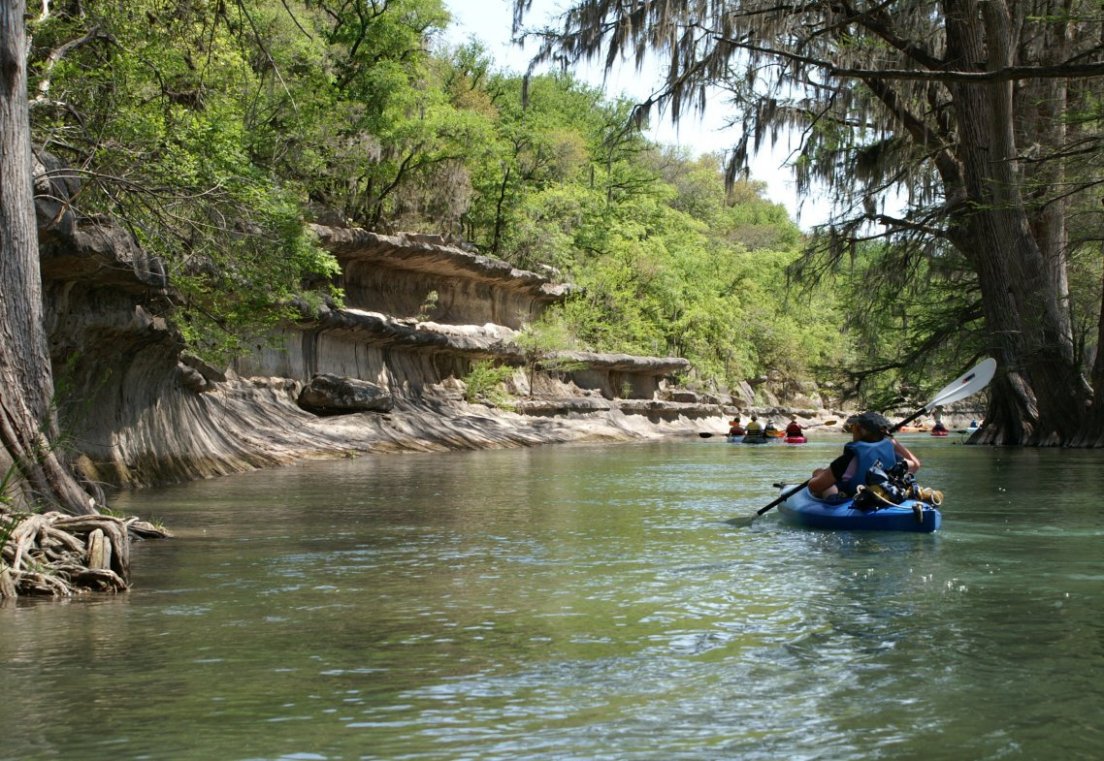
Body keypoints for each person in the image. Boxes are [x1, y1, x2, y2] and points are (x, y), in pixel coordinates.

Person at [808, 411, 921, 499]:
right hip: (883, 495)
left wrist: (816, 475)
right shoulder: (893, 455)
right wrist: (894, 443)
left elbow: (815, 487)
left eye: (853, 428)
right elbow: (915, 465)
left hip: (851, 498)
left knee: (822, 478)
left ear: (857, 429)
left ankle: (831, 495)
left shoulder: (847, 459)